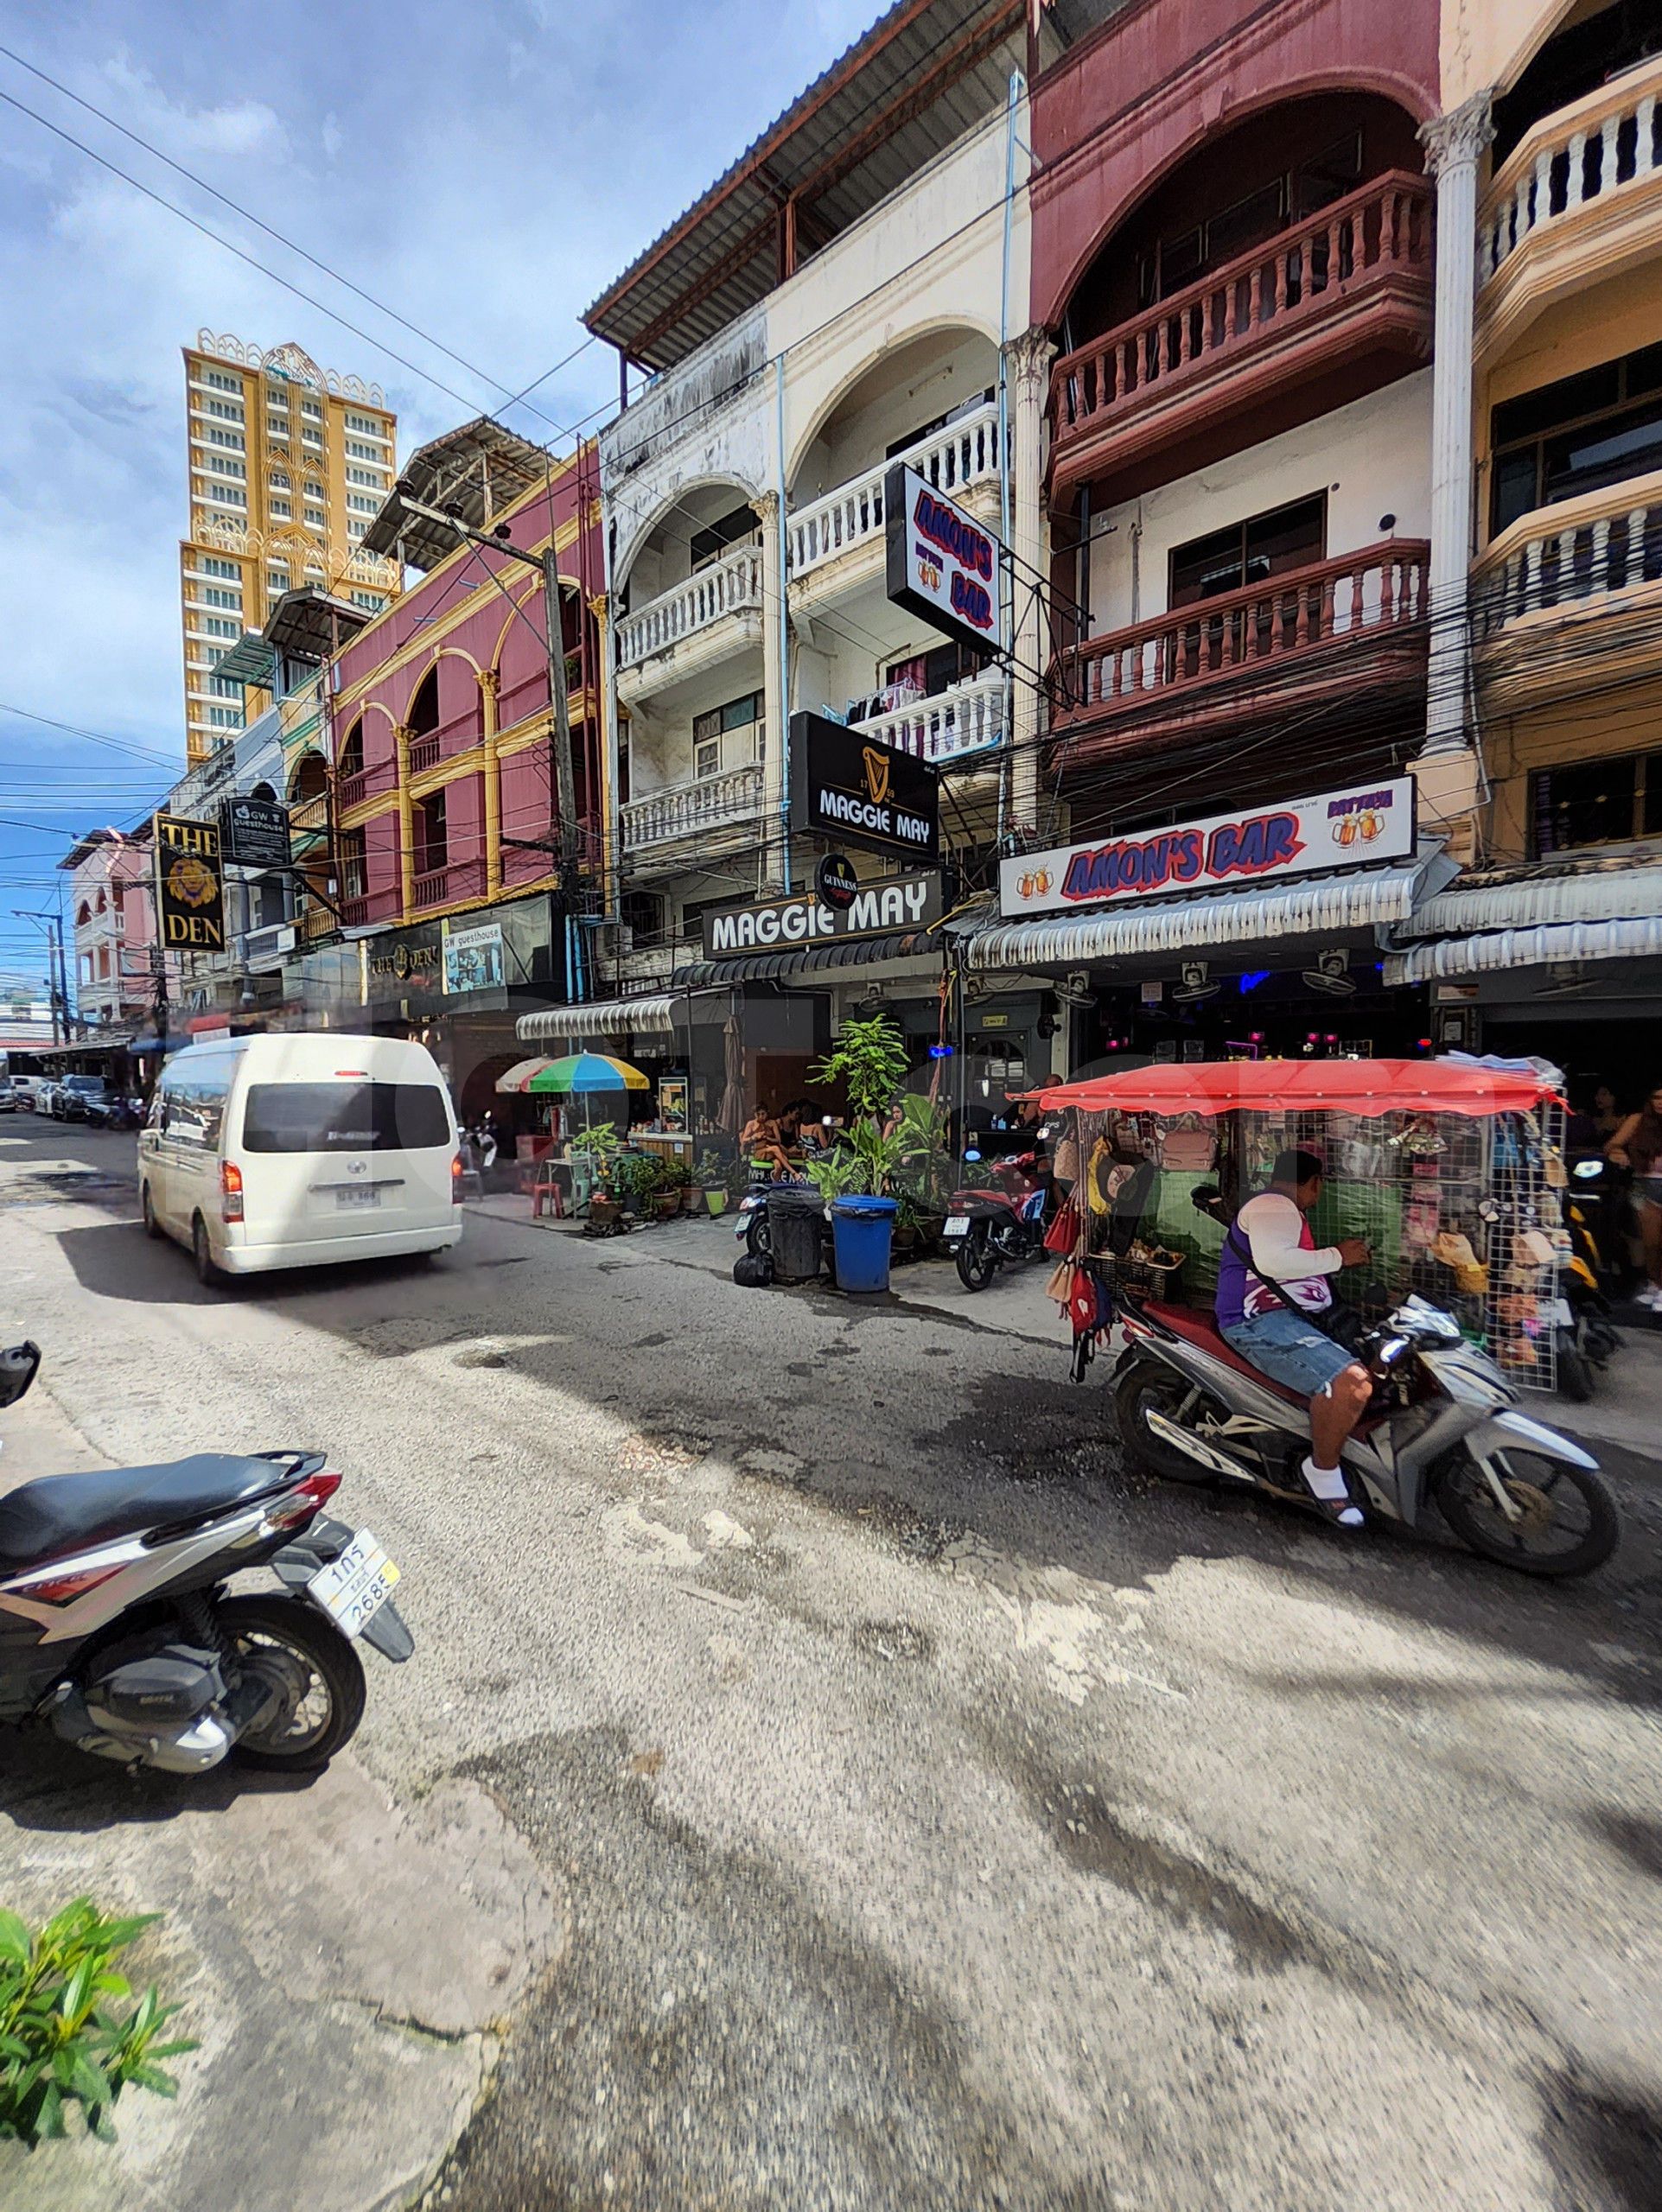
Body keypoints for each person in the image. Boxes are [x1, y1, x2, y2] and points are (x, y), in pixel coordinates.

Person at [1215, 1148, 1373, 1526]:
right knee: (1352, 1384)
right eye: (1321, 1184)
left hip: (1288, 1318)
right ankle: (1322, 1472)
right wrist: (1338, 1257)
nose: (1321, 1192)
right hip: (1258, 1322)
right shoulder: (1274, 1206)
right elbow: (1274, 1262)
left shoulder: (1282, 1208)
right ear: (1312, 1183)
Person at [1607, 1084, 1662, 1309]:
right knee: (1651, 1240)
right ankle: (1654, 1284)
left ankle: (1658, 1286)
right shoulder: (1637, 1120)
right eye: (1656, 1097)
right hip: (1643, 1184)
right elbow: (1612, 1145)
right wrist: (1617, 1153)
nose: (1660, 1102)